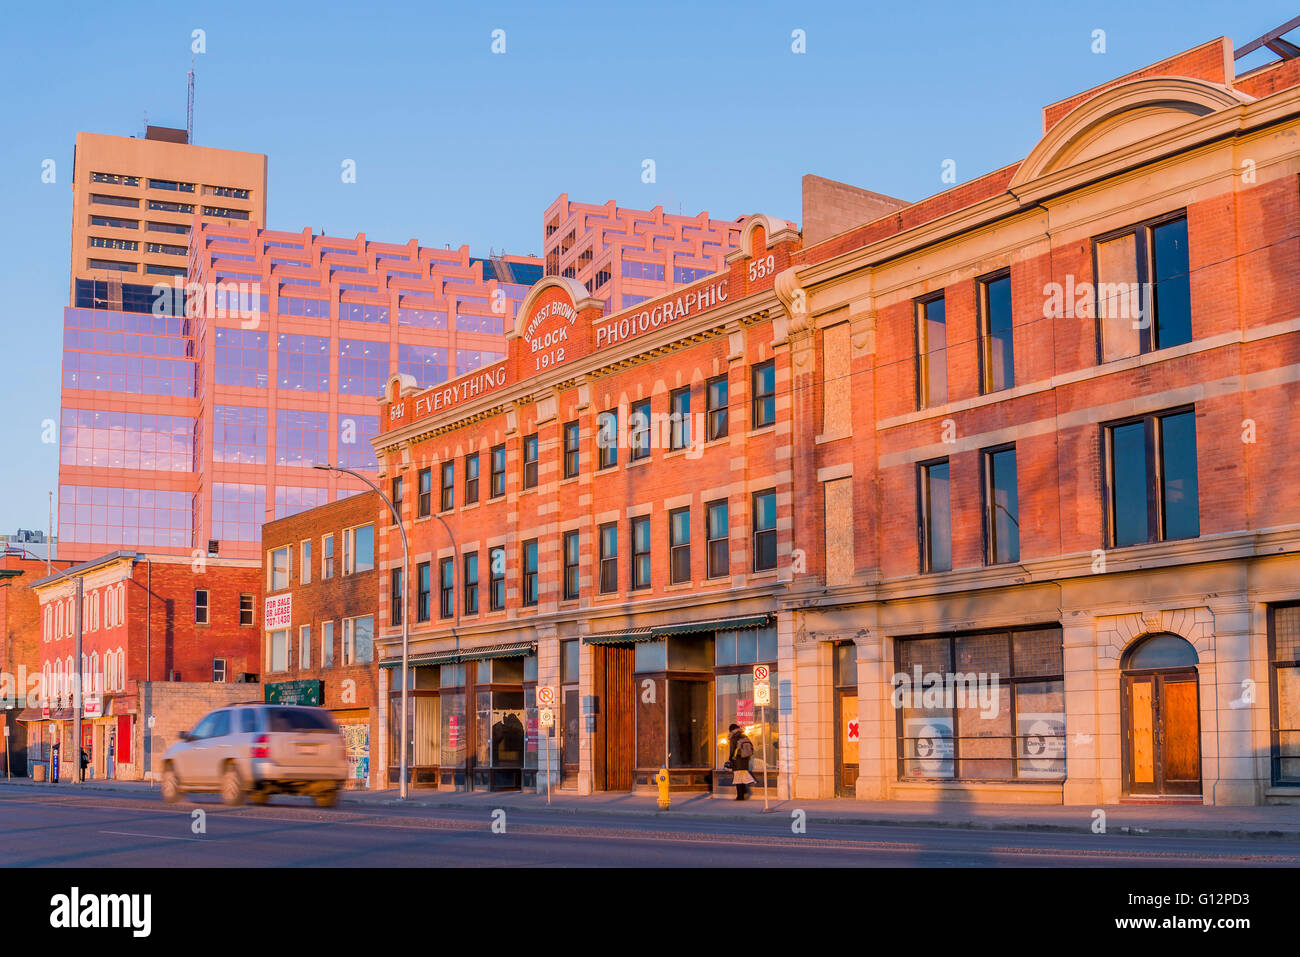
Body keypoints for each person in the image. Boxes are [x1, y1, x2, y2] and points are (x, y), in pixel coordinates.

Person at [727, 723, 755, 800]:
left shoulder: (734, 738)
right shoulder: (745, 736)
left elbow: (732, 750)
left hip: (737, 760)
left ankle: (740, 796)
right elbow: (751, 748)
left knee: (738, 779)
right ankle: (744, 793)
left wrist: (730, 759)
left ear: (732, 730)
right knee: (742, 778)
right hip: (745, 760)